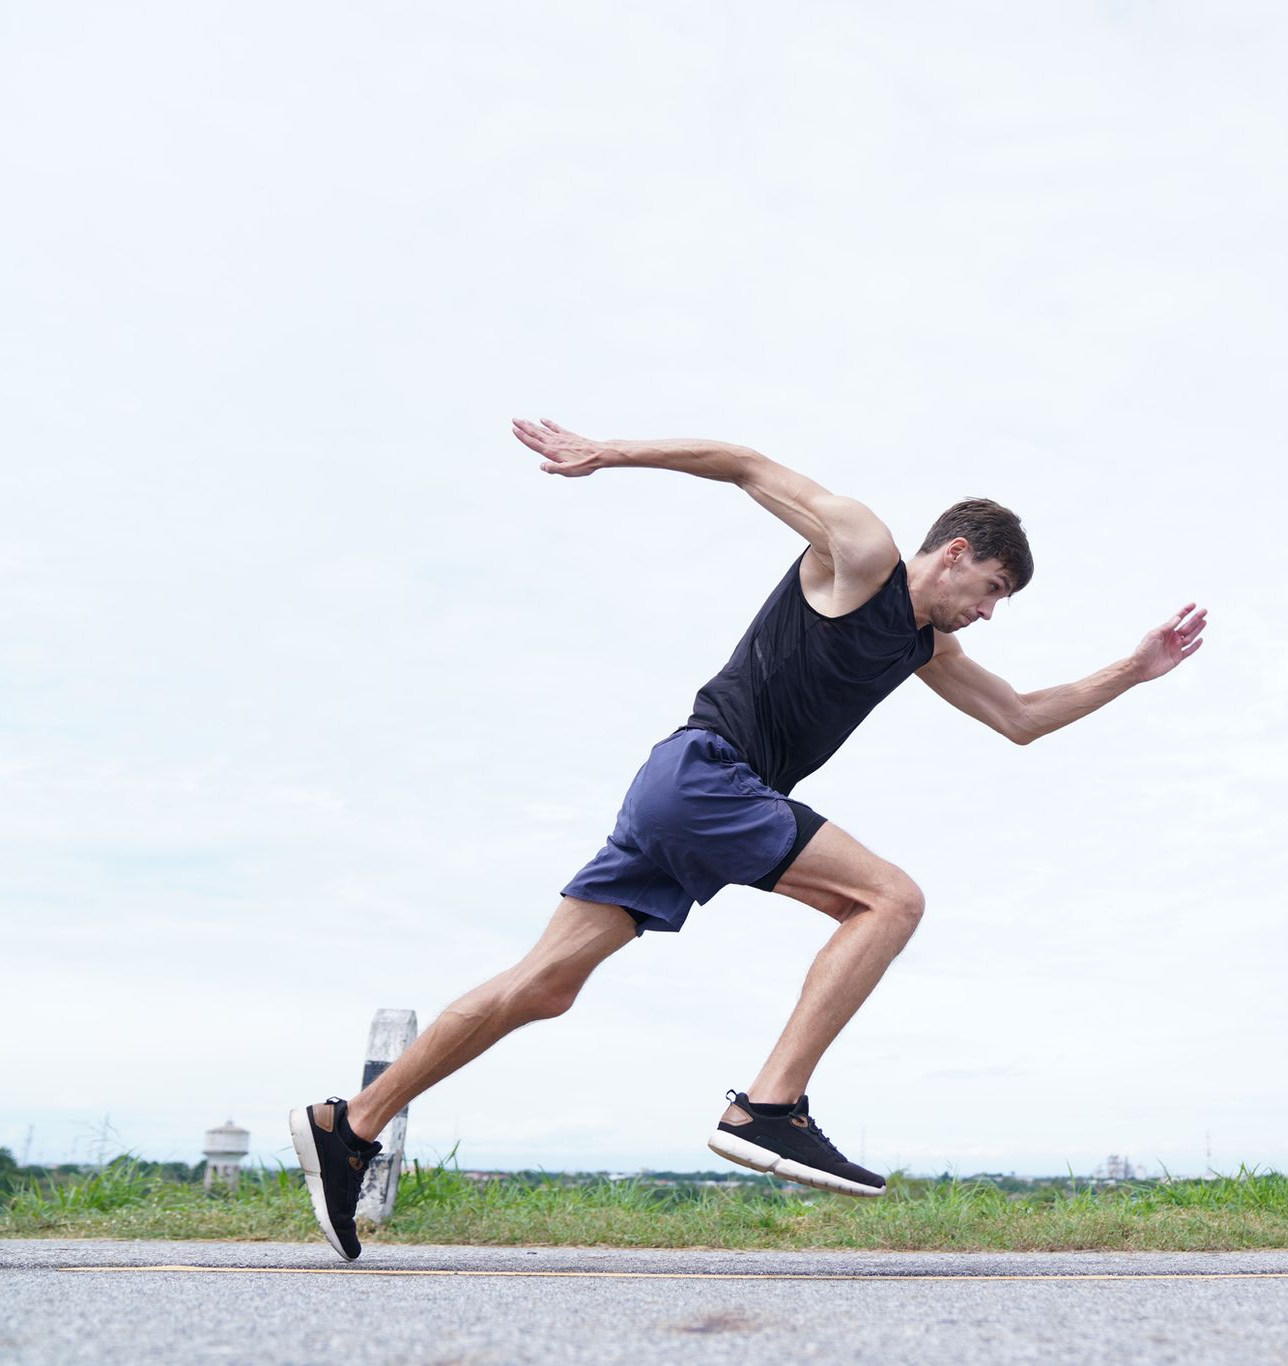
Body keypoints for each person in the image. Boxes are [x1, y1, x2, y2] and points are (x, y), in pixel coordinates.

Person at [289, 420, 1209, 1259]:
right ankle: (769, 1106)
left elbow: (1018, 717)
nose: (990, 611)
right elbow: (743, 465)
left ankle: (351, 1125)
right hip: (706, 777)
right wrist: (606, 453)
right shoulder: (863, 551)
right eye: (993, 589)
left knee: (545, 986)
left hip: (683, 794)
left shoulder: (923, 647)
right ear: (958, 553)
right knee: (891, 899)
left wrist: (1135, 668)